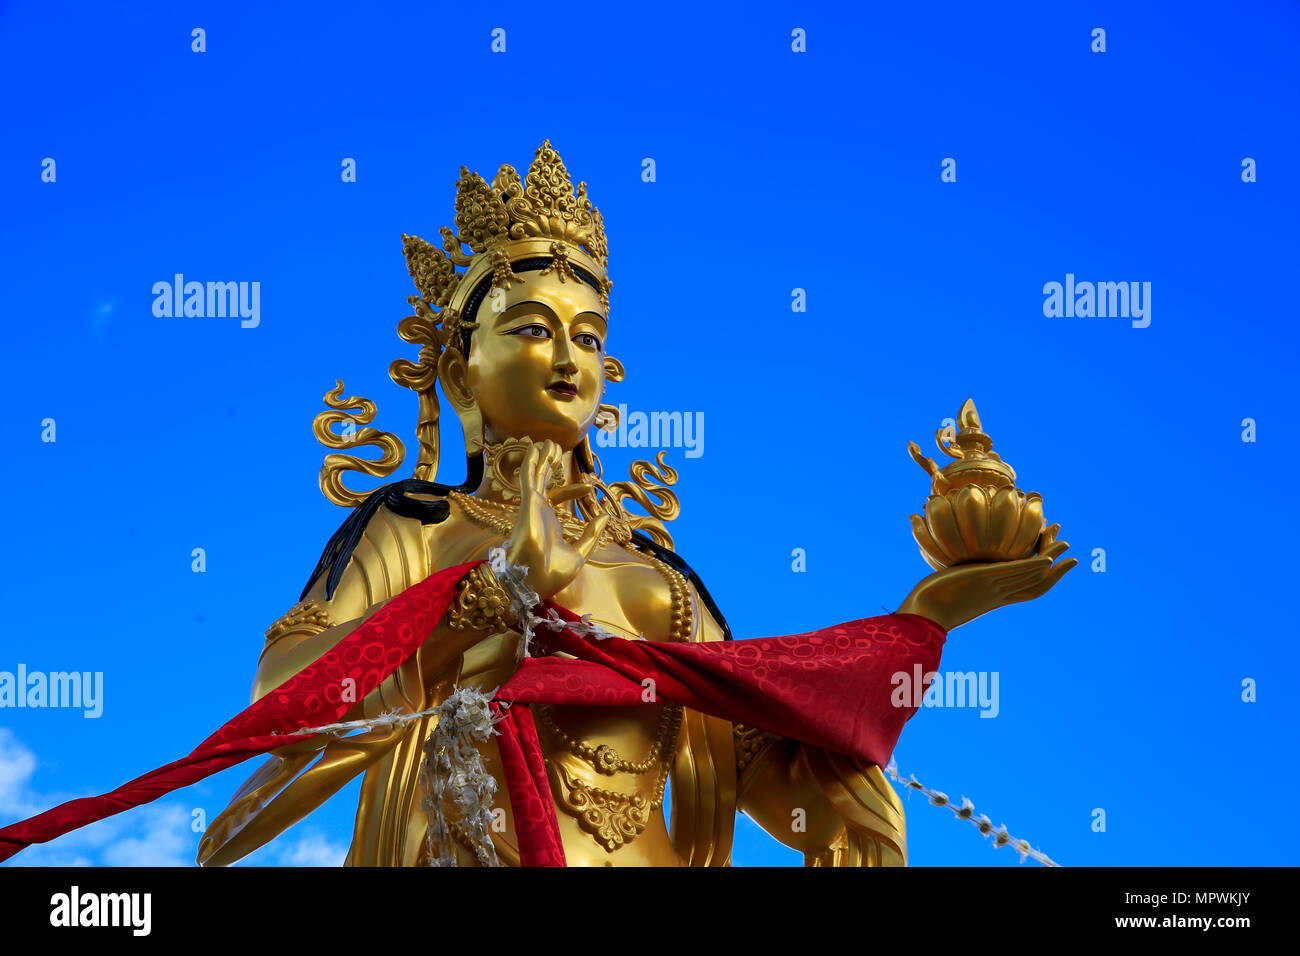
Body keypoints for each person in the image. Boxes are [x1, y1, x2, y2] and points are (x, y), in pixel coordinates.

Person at [195, 140, 1073, 867]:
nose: (565, 356)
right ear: (461, 376)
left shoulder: (663, 581)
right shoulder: (420, 527)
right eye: (532, 328)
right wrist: (481, 602)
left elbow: (776, 784)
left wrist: (920, 627)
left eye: (587, 336)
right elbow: (286, 696)